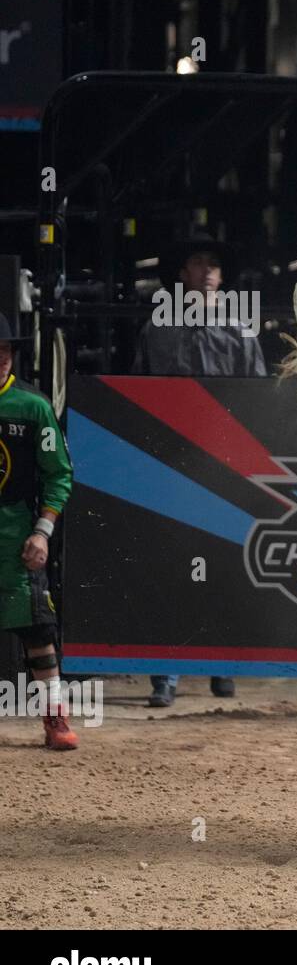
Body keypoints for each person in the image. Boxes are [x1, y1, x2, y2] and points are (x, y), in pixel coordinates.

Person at [131, 232, 264, 706]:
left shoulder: (241, 325)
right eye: (197, 262)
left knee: (225, 562)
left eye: (213, 263)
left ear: (222, 275)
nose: (206, 270)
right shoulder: (157, 327)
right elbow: (139, 393)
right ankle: (165, 677)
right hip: (173, 462)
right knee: (170, 565)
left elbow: (257, 397)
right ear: (182, 273)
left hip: (223, 462)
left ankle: (221, 665)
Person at [0, 318, 77, 750]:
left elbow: (59, 476)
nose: (0, 358)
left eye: (5, 350)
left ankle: (55, 719)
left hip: (15, 535)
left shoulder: (33, 406)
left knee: (38, 629)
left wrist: (42, 533)